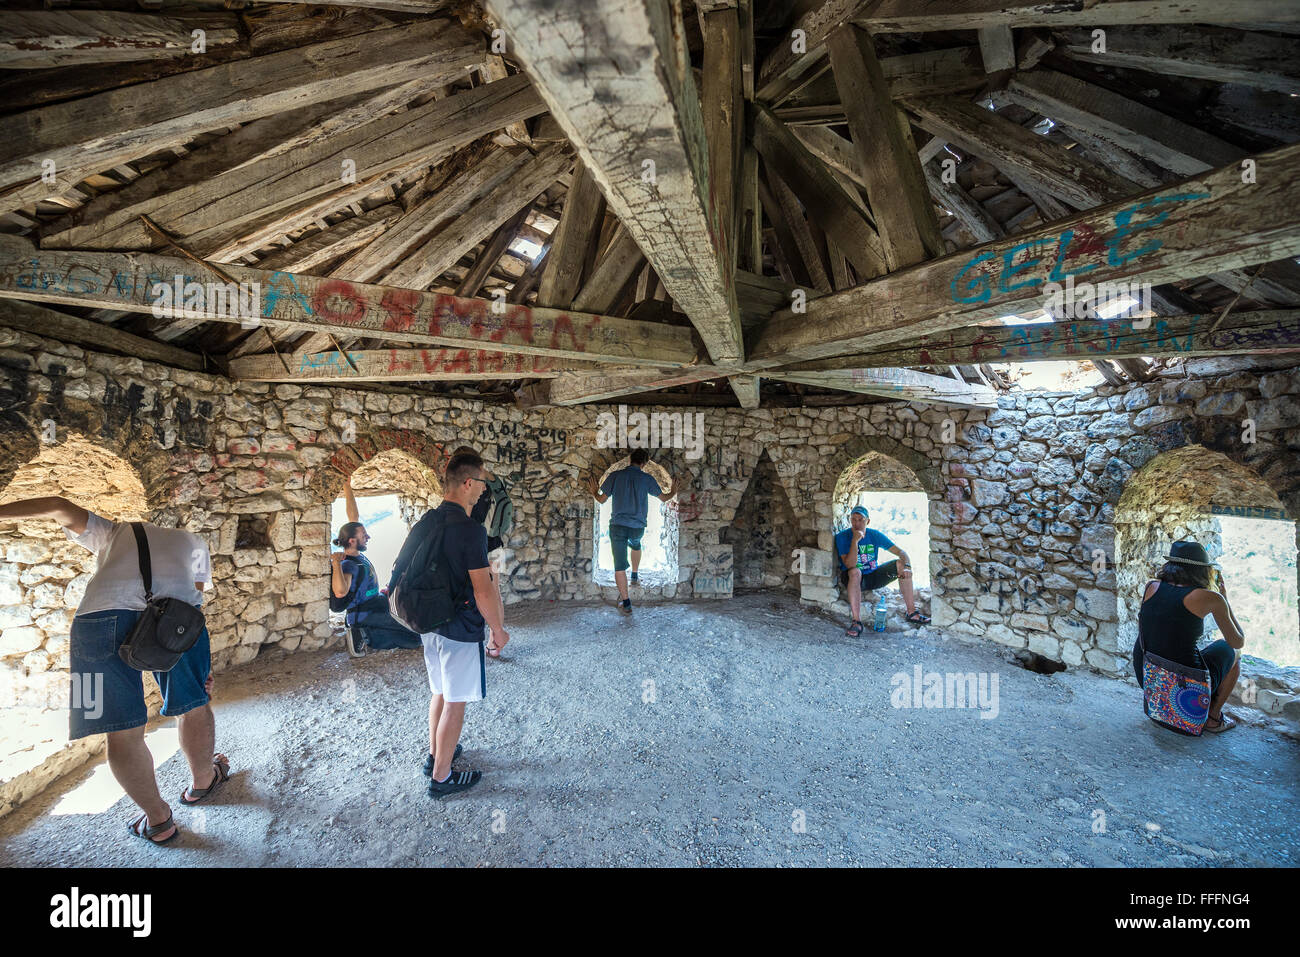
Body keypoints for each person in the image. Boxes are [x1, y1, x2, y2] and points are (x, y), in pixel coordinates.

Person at [0, 496, 227, 845]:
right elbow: (196, 598)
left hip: (97, 620)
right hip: (177, 620)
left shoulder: (114, 531)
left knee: (120, 733)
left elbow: (58, 505)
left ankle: (158, 820)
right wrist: (201, 669)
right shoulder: (195, 543)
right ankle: (202, 782)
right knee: (193, 704)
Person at [390, 450, 509, 797]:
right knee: (456, 702)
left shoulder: (428, 520)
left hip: (429, 625)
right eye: (482, 484)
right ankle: (442, 778)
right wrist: (498, 632)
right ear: (468, 483)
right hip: (458, 628)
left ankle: (435, 755)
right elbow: (483, 591)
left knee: (440, 693)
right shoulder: (470, 532)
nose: (483, 492)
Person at [1132, 540, 1245, 733]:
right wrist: (1225, 600)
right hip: (1185, 688)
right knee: (1232, 651)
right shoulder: (1210, 597)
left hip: (1151, 679)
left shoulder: (1152, 587)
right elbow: (1237, 640)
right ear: (1202, 570)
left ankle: (1167, 707)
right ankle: (1212, 718)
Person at [331, 475, 420, 658]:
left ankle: (371, 630)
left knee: (415, 624)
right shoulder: (348, 565)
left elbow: (353, 518)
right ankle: (362, 634)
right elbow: (340, 592)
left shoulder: (357, 554)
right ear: (352, 540)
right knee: (414, 639)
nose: (368, 537)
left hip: (376, 604)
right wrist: (335, 564)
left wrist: (348, 486)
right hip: (363, 614)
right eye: (364, 535)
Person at [588, 448, 676, 614]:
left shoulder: (615, 476)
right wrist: (673, 491)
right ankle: (634, 575)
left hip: (618, 526)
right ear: (643, 464)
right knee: (636, 545)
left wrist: (593, 491)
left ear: (630, 460)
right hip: (637, 527)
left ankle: (626, 602)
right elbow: (664, 498)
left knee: (619, 566)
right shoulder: (646, 478)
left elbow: (601, 499)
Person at [834, 505, 929, 637]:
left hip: (872, 575)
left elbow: (901, 552)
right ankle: (856, 621)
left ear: (868, 521)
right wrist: (855, 541)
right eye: (853, 519)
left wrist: (907, 566)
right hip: (853, 578)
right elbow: (850, 564)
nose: (857, 523)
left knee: (900, 564)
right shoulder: (842, 537)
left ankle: (912, 613)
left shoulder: (874, 535)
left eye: (860, 519)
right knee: (855, 572)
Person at [453, 446, 514, 553]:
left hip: (479, 542)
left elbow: (466, 519)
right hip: (495, 543)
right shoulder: (491, 479)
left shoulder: (472, 484)